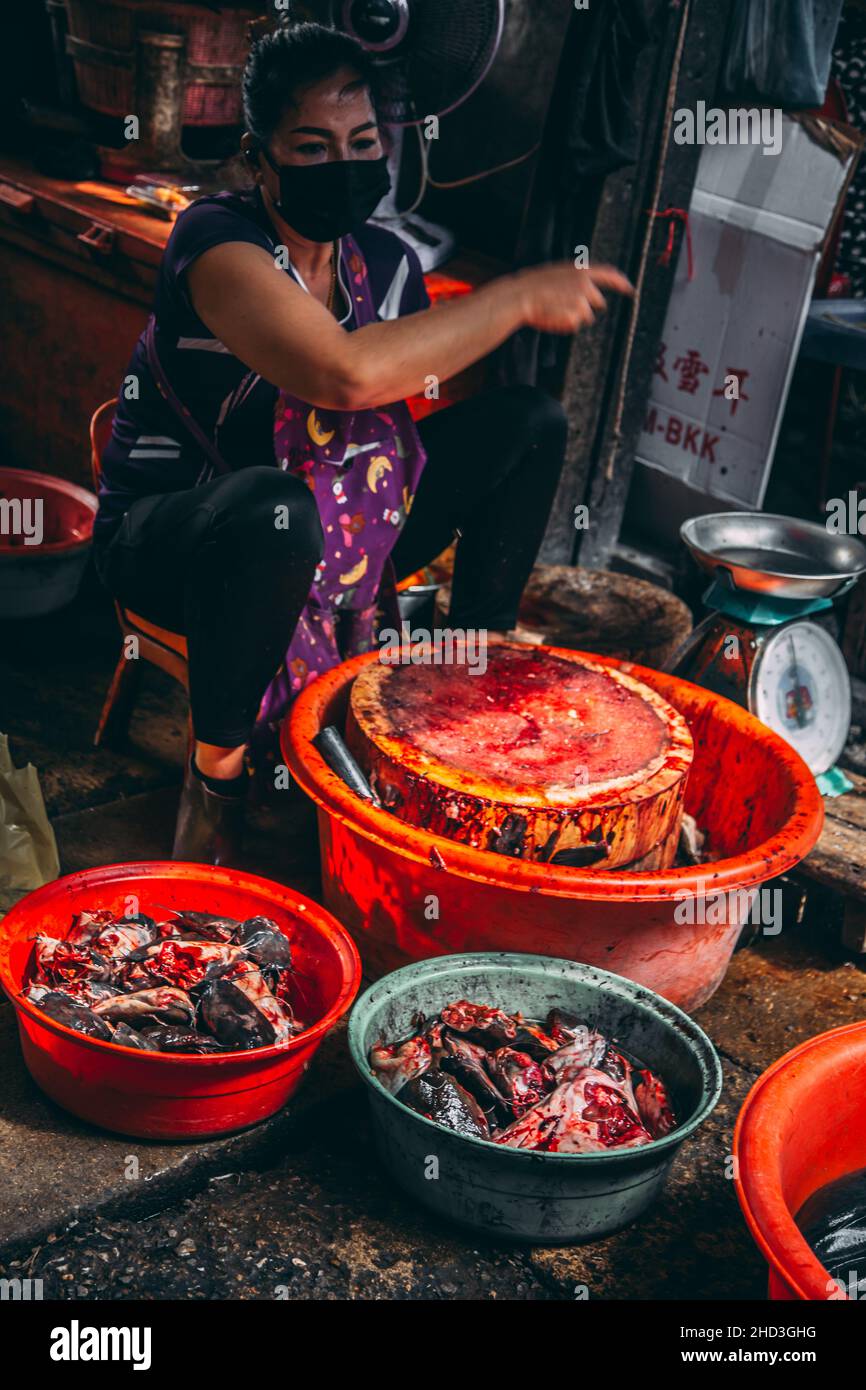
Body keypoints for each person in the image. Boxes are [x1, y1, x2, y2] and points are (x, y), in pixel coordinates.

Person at [93, 20, 633, 867]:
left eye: (362, 141)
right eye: (311, 145)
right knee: (278, 509)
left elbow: (384, 435)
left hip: (329, 540)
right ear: (257, 155)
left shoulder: (385, 263)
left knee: (529, 422)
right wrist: (517, 298)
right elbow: (343, 376)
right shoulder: (214, 243)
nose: (342, 164)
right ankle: (217, 802)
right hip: (180, 541)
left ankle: (476, 688)